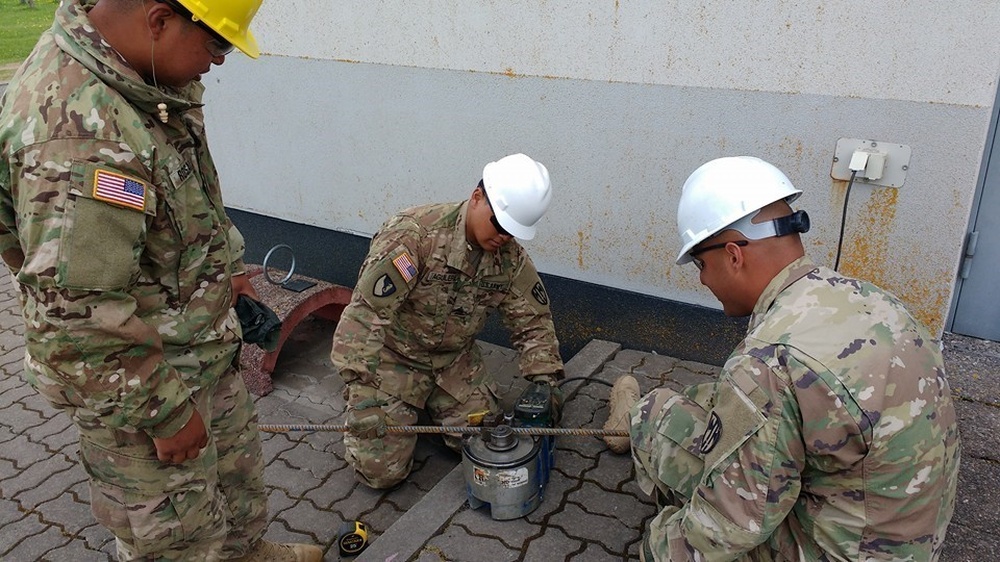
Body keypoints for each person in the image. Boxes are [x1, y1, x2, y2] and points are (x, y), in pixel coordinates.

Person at [0, 1, 322, 560]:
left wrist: (231, 272)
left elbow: (190, 192)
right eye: (218, 45)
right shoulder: (81, 137)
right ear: (159, 20)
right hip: (143, 384)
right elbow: (75, 320)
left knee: (237, 491)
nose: (219, 62)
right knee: (179, 540)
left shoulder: (145, 77)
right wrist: (166, 415)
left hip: (199, 346)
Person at [606, 156, 961, 561]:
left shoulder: (768, 362)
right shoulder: (873, 300)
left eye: (702, 264)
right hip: (907, 536)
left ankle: (638, 435)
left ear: (734, 255)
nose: (703, 279)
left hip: (839, 549)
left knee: (657, 413)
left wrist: (657, 545)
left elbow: (731, 526)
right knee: (714, 400)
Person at [331, 153, 565, 489]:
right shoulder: (414, 237)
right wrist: (360, 387)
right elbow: (365, 315)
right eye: (499, 224)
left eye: (512, 231)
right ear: (476, 197)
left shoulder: (509, 259)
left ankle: (422, 407)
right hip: (396, 360)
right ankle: (392, 405)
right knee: (381, 473)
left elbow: (533, 322)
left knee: (484, 444)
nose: (503, 237)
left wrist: (545, 383)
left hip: (454, 363)